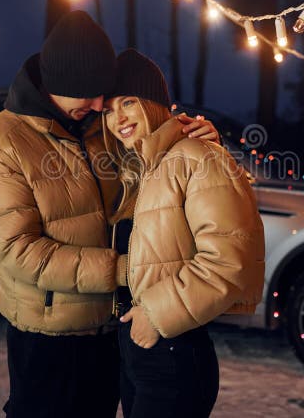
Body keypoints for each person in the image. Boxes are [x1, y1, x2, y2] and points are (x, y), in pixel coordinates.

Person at [0, 11, 218, 418]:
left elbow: (155, 176)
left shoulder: (99, 127)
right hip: (50, 340)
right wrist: (124, 270)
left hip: (112, 330)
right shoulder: (2, 144)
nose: (102, 104)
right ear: (60, 84)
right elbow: (18, 252)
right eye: (90, 93)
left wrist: (196, 138)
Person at [102, 48, 265, 418]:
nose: (118, 118)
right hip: (140, 351)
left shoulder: (196, 156)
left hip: (172, 350)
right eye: (109, 110)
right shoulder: (144, 168)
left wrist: (155, 315)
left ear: (155, 102)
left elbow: (228, 260)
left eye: (128, 102)